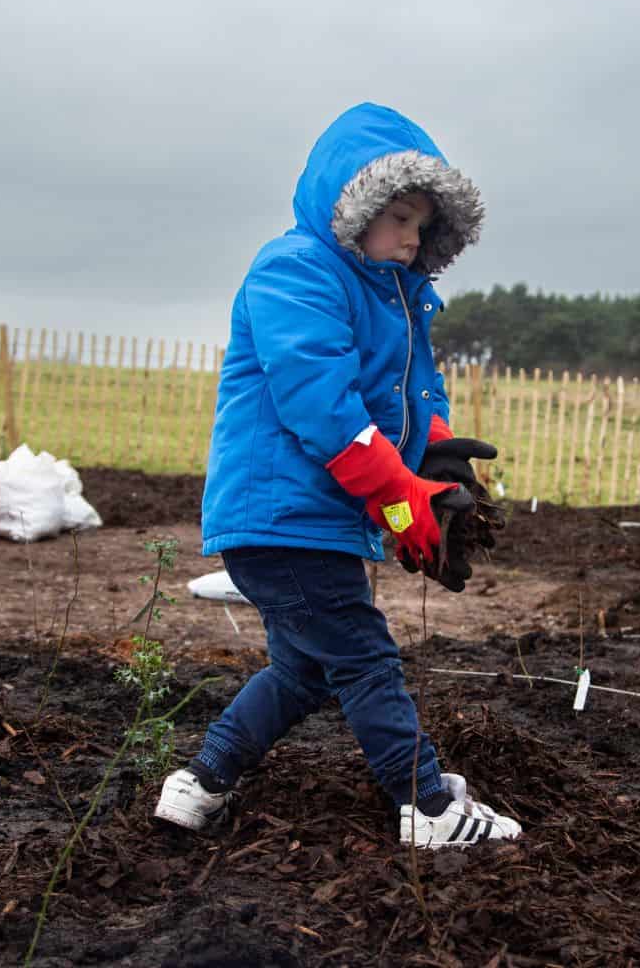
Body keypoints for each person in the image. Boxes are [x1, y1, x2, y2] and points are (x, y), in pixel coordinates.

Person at [154, 102, 522, 849]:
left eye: (423, 225)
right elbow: (322, 407)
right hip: (281, 517)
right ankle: (427, 804)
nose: (412, 238)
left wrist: (437, 456)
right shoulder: (295, 270)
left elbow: (414, 391)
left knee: (305, 670)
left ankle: (200, 782)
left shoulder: (398, 297)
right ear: (351, 206)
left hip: (314, 521)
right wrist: (398, 496)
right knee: (362, 655)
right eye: (399, 217)